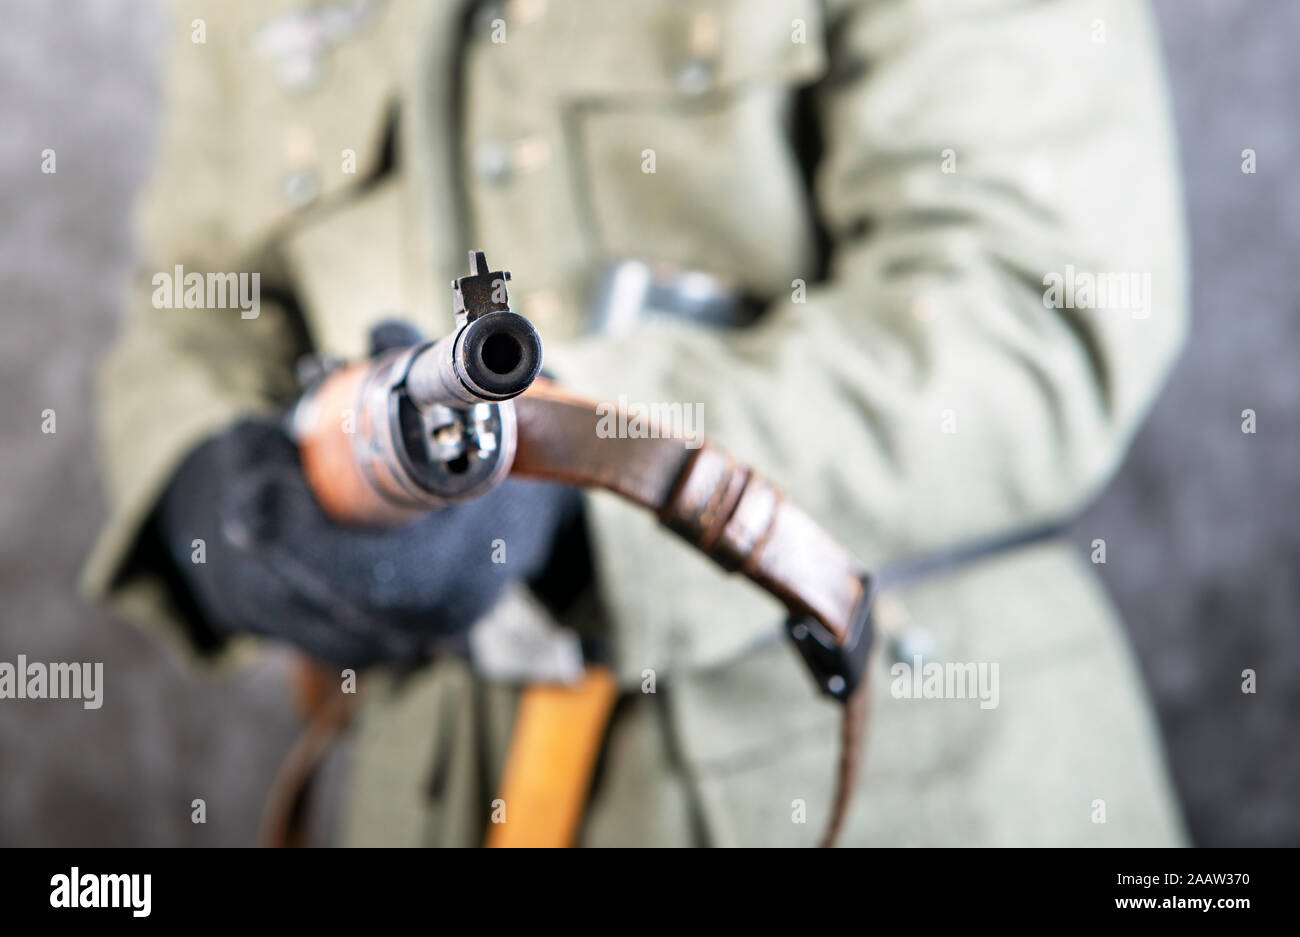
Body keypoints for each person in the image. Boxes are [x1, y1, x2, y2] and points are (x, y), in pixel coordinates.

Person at [83, 0, 1189, 846]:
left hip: (897, 779)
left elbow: (1032, 312)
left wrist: (593, 463)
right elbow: (195, 316)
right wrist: (205, 485)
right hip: (432, 792)